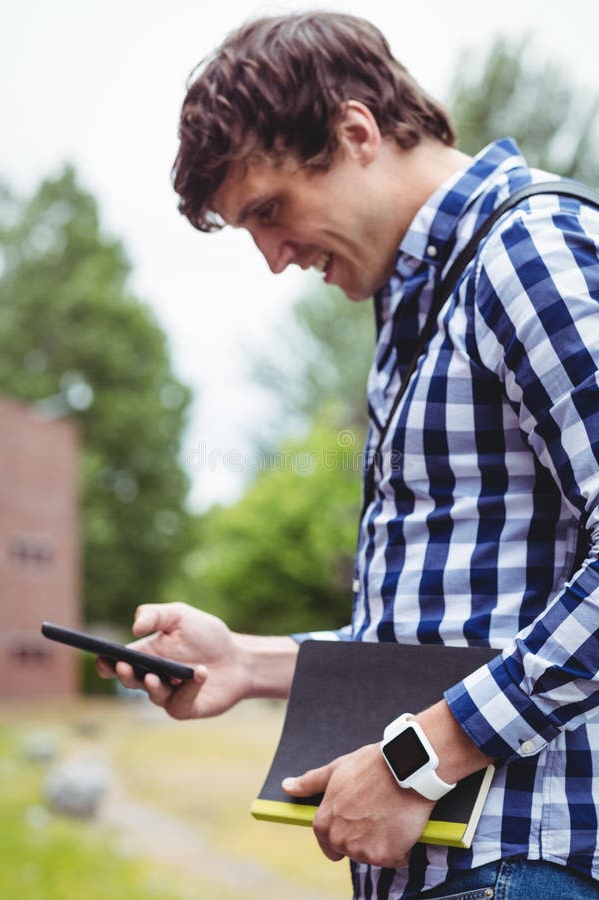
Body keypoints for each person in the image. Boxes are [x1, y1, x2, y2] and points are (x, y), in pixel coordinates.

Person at [97, 12, 599, 900]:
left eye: (269, 211)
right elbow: (445, 635)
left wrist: (418, 760)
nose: (273, 257)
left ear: (356, 132)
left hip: (526, 867)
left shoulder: (530, 250)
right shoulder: (416, 307)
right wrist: (247, 665)